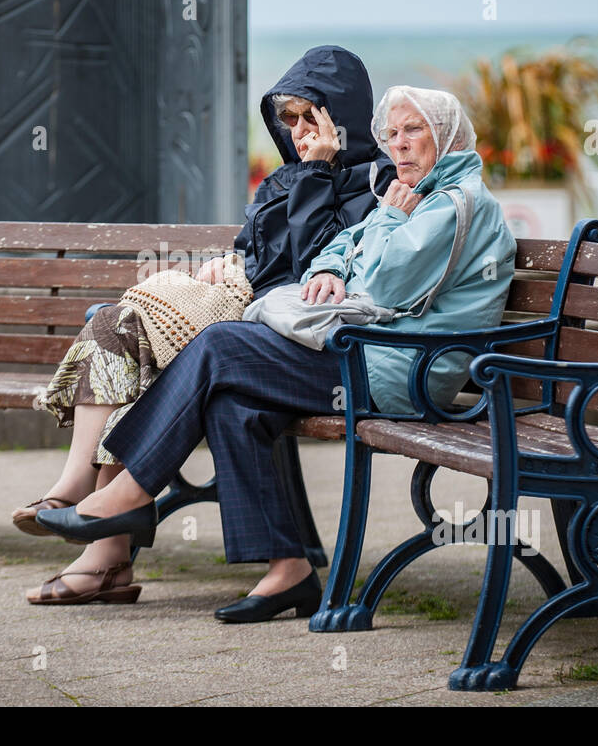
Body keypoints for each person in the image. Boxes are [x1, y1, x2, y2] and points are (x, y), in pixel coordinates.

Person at [35, 85, 518, 620]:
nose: (399, 145)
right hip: (362, 349)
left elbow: (385, 289)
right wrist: (335, 267)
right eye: (394, 132)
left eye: (415, 131)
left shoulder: (455, 205)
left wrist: (388, 222)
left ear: (446, 137)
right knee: (231, 404)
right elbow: (333, 253)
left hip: (398, 370)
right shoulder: (413, 195)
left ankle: (130, 489)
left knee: (219, 346)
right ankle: (287, 569)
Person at [17, 46, 393, 604]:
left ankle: (112, 530)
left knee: (175, 348)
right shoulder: (282, 181)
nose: (295, 131)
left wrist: (319, 170)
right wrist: (228, 263)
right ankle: (280, 567)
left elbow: (318, 262)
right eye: (286, 118)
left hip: (310, 342)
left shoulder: (376, 183)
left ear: (340, 115)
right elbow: (258, 254)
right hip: (258, 324)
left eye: (308, 117)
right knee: (117, 331)